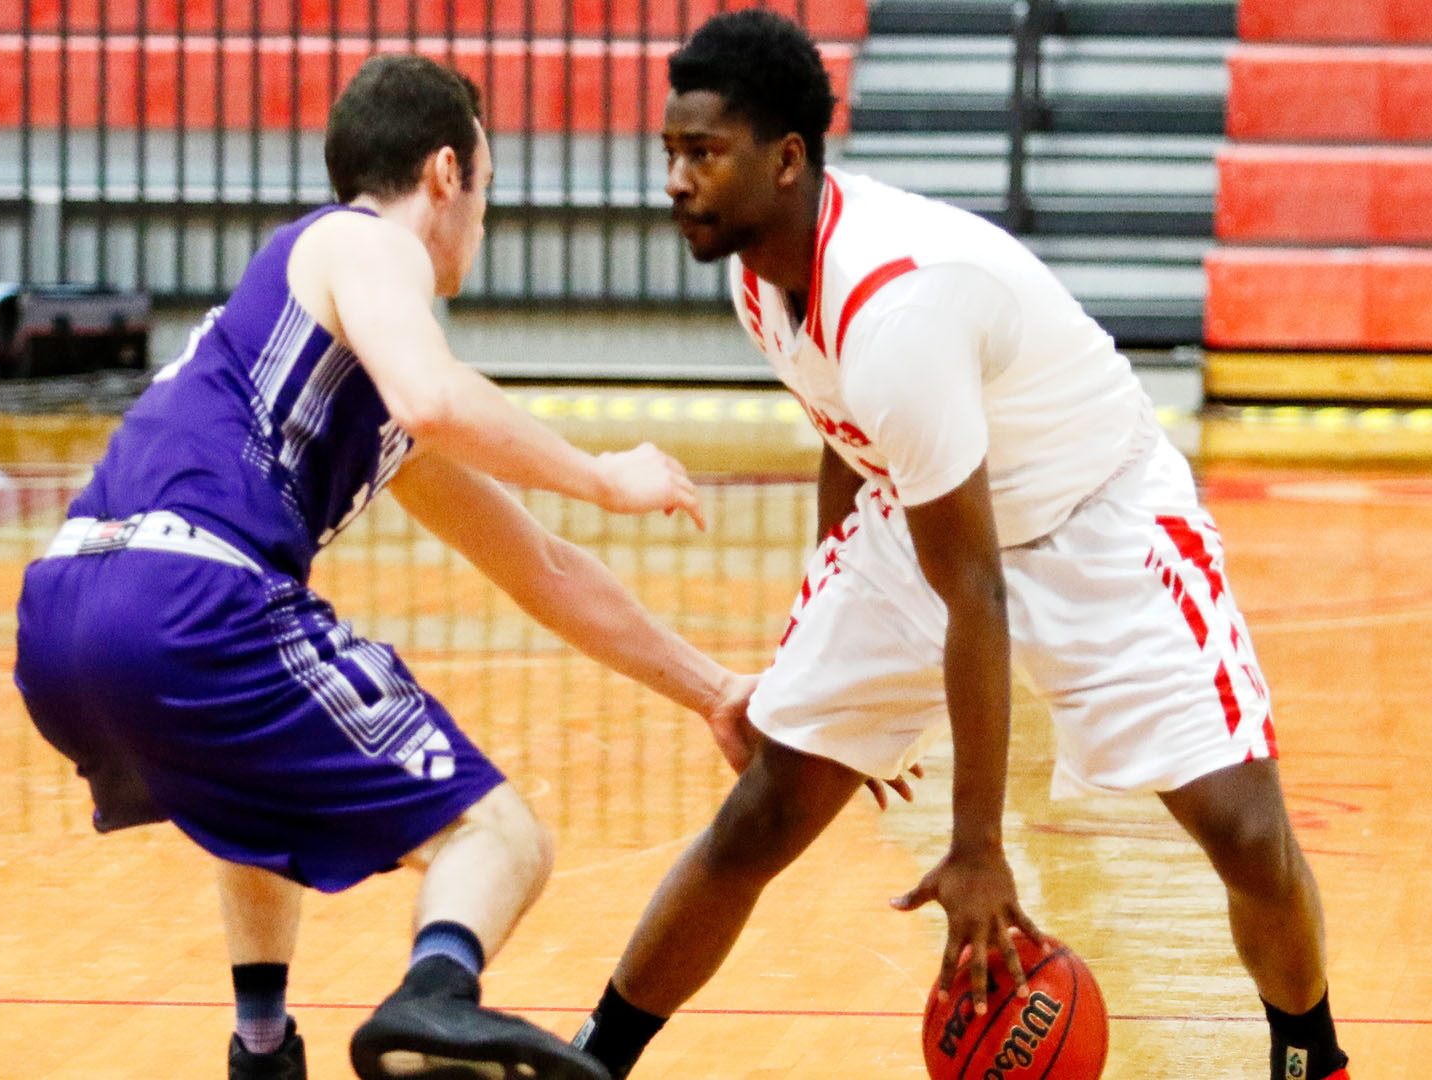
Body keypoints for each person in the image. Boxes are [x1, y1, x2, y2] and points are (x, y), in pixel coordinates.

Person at [570, 13, 1352, 1080]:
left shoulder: (897, 308)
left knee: (1244, 832)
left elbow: (975, 592)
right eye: (671, 152)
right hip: (927, 515)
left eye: (702, 152)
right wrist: (825, 655)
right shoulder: (757, 271)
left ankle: (1313, 1058)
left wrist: (977, 847)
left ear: (785, 160)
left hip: (1095, 515)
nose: (675, 178)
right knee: (762, 815)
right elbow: (848, 446)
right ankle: (593, 1061)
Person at [14, 54, 758, 1080]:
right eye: (487, 191)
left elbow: (541, 567)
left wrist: (714, 691)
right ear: (446, 174)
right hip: (188, 599)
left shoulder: (327, 348)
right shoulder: (360, 242)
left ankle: (263, 1046)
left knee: (249, 801)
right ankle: (435, 1003)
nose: (484, 221)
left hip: (63, 613)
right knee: (500, 839)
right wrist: (605, 473)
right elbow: (437, 397)